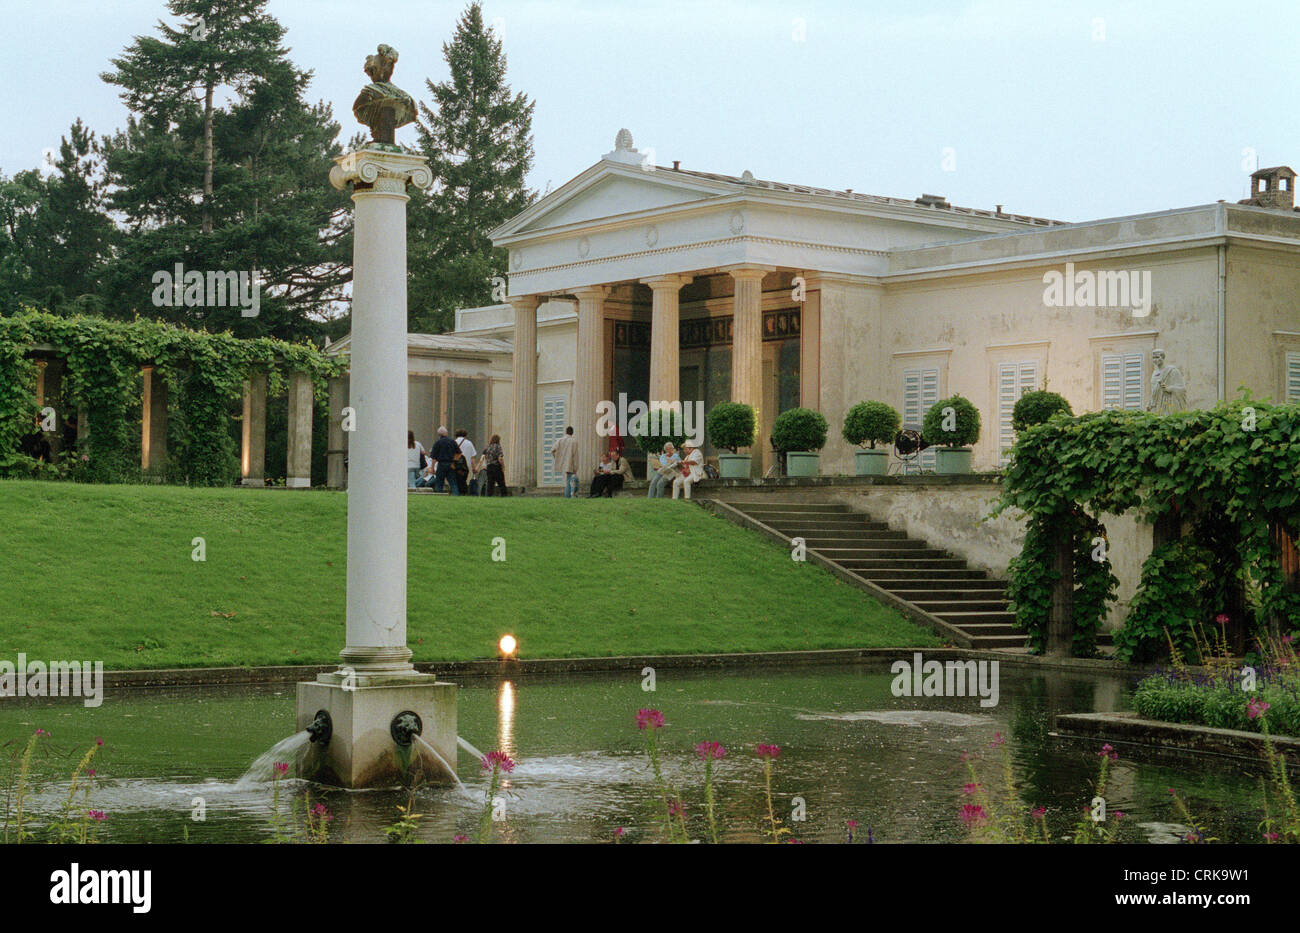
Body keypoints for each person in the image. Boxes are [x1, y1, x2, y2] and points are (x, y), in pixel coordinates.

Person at [428, 426, 461, 495]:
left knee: (439, 482)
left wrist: (432, 468)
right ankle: (456, 495)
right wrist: (454, 461)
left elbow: (433, 458)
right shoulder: (452, 441)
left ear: (439, 434)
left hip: (441, 464)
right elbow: (459, 453)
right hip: (450, 464)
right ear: (446, 433)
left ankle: (439, 496)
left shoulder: (437, 443)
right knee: (453, 482)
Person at [551, 425, 579, 497]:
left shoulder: (560, 440)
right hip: (570, 463)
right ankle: (568, 496)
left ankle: (568, 495)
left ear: (566, 432)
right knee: (569, 480)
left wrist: (557, 458)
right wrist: (576, 467)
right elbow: (575, 455)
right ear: (572, 433)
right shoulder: (574, 441)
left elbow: (552, 450)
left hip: (563, 462)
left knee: (568, 479)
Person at [454, 429, 477, 495]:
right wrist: (474, 468)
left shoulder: (454, 442)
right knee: (464, 481)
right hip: (466, 466)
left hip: (456, 466)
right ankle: (463, 493)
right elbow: (472, 457)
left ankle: (457, 493)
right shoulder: (469, 443)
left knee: (456, 481)